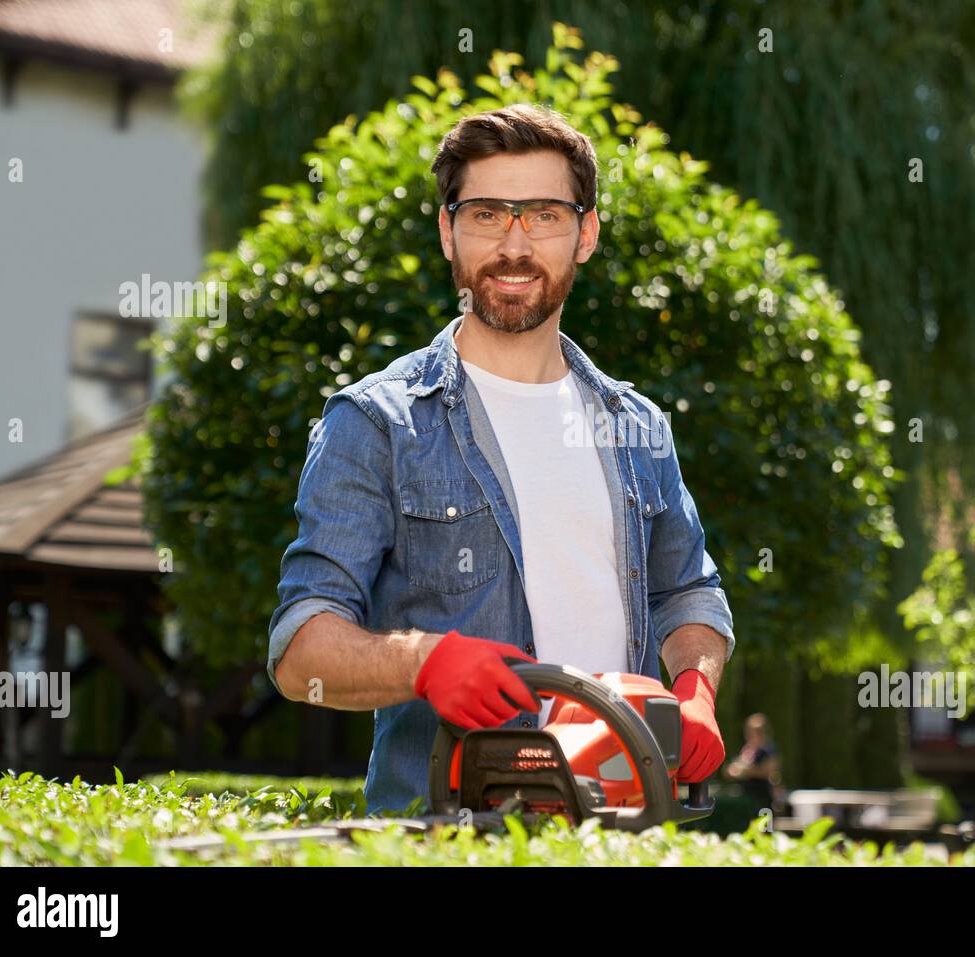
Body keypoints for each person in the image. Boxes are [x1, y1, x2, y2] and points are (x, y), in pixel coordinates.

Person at [266, 103, 736, 814]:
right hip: (448, 835)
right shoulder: (376, 422)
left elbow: (687, 592)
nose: (514, 244)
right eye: (487, 214)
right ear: (448, 231)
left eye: (544, 214)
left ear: (586, 234)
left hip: (628, 829)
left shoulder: (638, 426)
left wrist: (696, 689)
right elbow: (301, 651)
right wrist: (425, 661)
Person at [723, 714, 782, 819]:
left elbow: (770, 771)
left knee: (765, 831)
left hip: (763, 798)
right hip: (747, 799)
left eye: (757, 731)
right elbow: (731, 770)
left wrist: (746, 770)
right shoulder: (747, 750)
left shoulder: (769, 749)